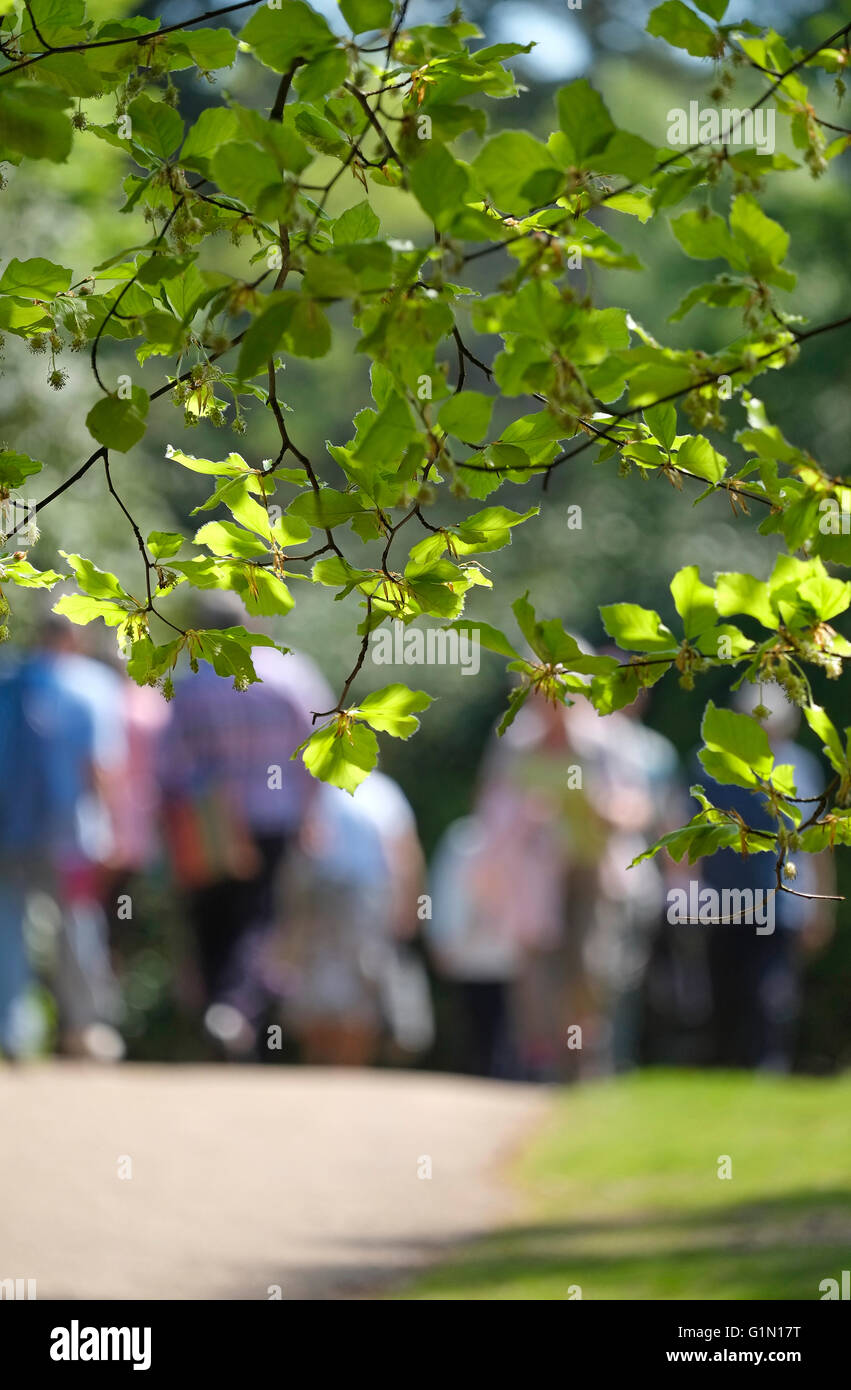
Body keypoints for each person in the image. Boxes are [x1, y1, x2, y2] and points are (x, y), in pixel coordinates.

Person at [157, 629, 328, 1059]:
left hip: (209, 819)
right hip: (274, 818)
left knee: (212, 917)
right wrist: (311, 813)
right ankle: (234, 1010)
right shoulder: (289, 673)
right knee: (259, 917)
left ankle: (223, 1017)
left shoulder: (192, 683)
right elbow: (321, 745)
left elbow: (170, 763)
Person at [0, 617, 125, 1060]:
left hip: (8, 832)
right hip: (70, 836)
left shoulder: (8, 679)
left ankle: (12, 1032)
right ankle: (85, 1029)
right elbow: (99, 767)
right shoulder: (91, 686)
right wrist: (108, 826)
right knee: (77, 927)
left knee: (8, 930)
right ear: (75, 637)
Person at [696, 683, 835, 1071]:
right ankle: (727, 1067)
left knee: (771, 994)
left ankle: (765, 1068)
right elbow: (692, 831)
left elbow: (818, 842)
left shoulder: (800, 767)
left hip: (782, 904)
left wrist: (821, 907)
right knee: (725, 990)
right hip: (722, 901)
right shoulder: (713, 766)